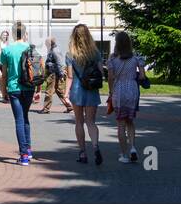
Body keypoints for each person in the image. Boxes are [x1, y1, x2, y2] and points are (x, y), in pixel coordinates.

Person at [107, 30, 147, 164]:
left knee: (120, 124)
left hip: (119, 92)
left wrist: (111, 92)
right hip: (132, 91)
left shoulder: (112, 60)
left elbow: (111, 78)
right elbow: (142, 76)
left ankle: (124, 155)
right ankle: (133, 148)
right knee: (130, 121)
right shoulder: (136, 58)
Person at [65, 23, 103, 165]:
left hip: (77, 89)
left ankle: (82, 153)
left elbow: (69, 76)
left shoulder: (70, 54)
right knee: (91, 122)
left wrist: (65, 93)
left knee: (79, 121)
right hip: (92, 89)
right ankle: (96, 147)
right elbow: (100, 73)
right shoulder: (95, 53)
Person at [0, 21, 34, 165]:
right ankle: (29, 149)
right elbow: (38, 69)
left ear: (13, 34)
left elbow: (4, 74)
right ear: (25, 33)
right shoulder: (30, 48)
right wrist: (38, 89)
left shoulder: (7, 50)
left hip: (14, 88)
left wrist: (3, 92)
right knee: (25, 118)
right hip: (29, 87)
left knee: (19, 120)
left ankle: (24, 155)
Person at [41, 37, 72, 113]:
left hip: (53, 73)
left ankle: (46, 108)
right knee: (59, 90)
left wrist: (61, 75)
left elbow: (59, 63)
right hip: (55, 72)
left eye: (46, 43)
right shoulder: (53, 49)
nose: (45, 45)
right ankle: (69, 106)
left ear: (50, 43)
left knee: (49, 90)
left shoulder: (55, 50)